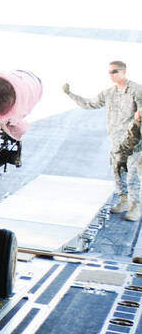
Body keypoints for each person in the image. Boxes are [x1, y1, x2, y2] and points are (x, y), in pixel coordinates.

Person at [64, 62, 142, 220]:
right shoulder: (109, 93)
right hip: (116, 141)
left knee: (133, 174)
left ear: (124, 71)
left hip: (133, 142)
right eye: (110, 72)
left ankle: (135, 207)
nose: (112, 75)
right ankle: (124, 200)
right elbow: (89, 104)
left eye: (115, 71)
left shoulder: (136, 90)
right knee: (118, 172)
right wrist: (70, 94)